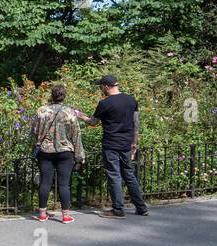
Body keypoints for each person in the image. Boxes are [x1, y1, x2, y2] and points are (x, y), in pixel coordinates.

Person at [80, 75, 149, 218]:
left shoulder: (104, 103)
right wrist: (134, 142)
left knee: (114, 175)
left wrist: (81, 116)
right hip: (126, 143)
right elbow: (136, 123)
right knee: (129, 174)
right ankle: (141, 207)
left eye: (101, 86)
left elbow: (93, 122)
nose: (100, 89)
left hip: (111, 143)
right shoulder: (131, 100)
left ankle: (118, 209)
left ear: (106, 86)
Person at [31, 83, 85, 223]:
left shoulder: (41, 111)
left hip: (45, 151)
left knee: (45, 182)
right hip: (65, 152)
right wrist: (80, 156)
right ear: (64, 96)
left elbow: (34, 131)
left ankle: (42, 214)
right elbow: (76, 136)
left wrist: (38, 142)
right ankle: (65, 216)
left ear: (51, 95)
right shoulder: (70, 112)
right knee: (63, 184)